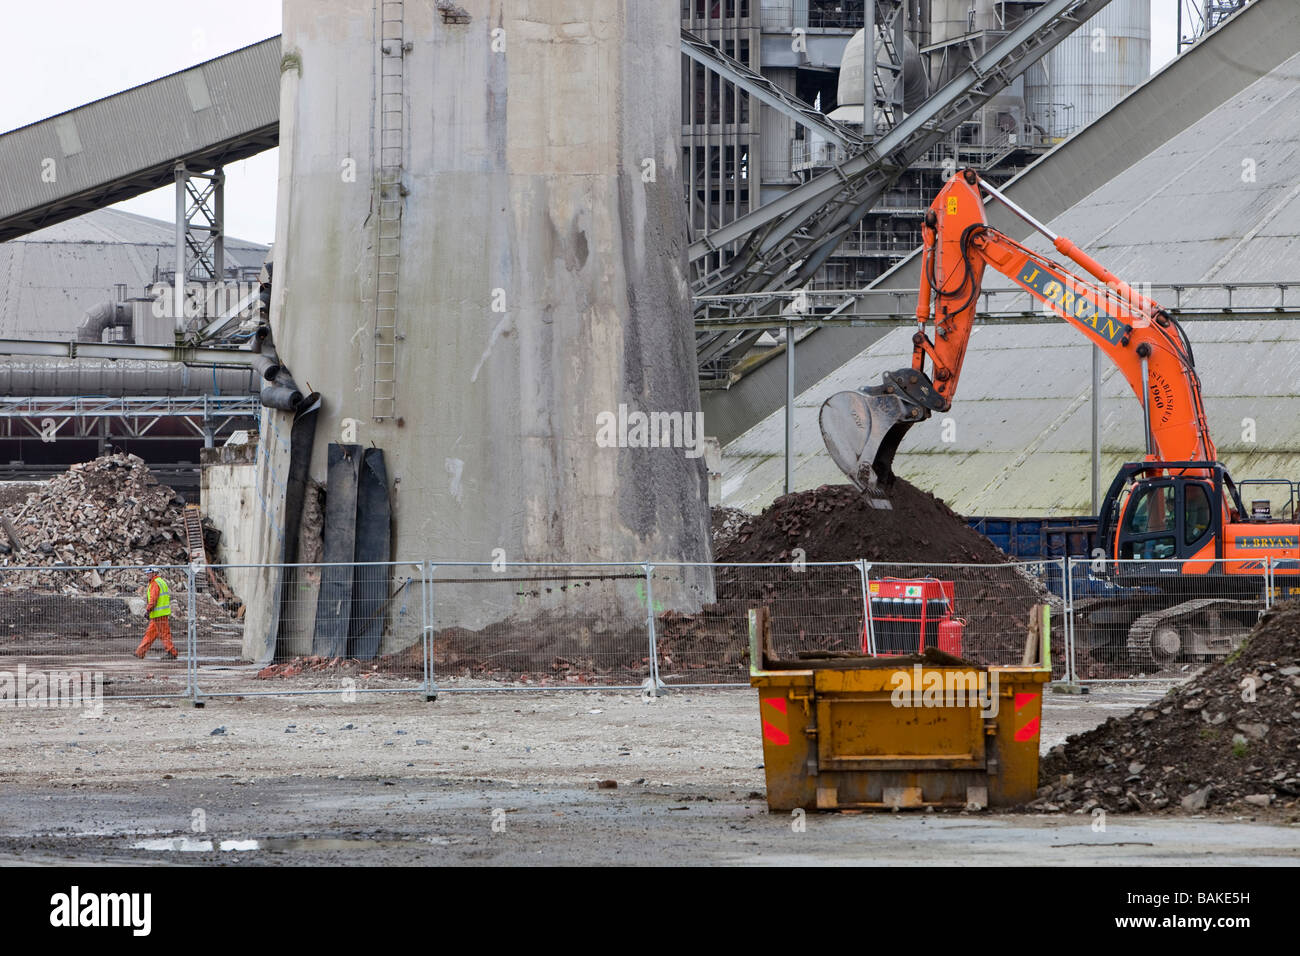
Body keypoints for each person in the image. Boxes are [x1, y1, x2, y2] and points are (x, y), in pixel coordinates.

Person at [134, 567, 178, 659]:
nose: (147, 575)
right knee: (150, 634)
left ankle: (171, 652)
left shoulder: (155, 583)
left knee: (164, 633)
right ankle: (140, 652)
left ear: (154, 573)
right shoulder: (160, 582)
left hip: (159, 614)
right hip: (158, 614)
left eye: (149, 573)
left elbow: (153, 599)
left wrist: (148, 610)